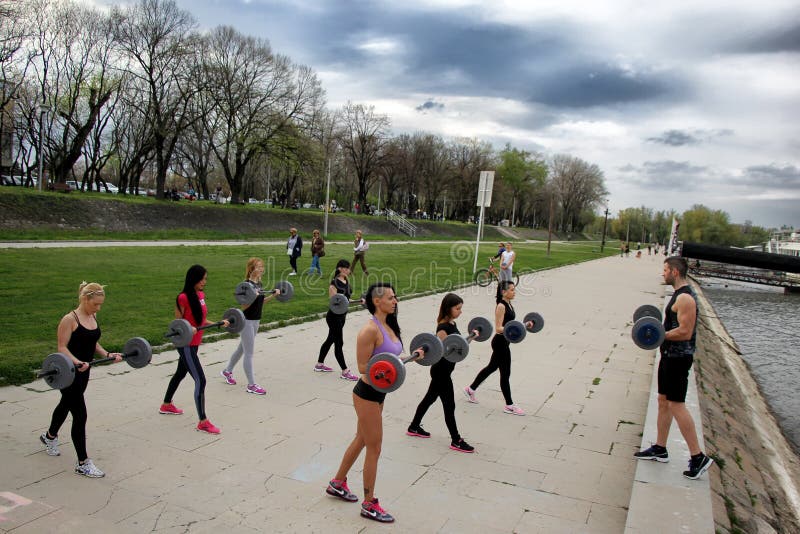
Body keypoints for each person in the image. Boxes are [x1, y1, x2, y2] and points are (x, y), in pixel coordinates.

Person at [634, 257, 714, 480]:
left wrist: (658, 334)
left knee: (676, 405)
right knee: (663, 401)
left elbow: (685, 332)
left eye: (666, 270)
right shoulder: (679, 295)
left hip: (679, 359)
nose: (663, 273)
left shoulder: (686, 298)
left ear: (675, 272)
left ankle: (698, 456)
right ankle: (660, 448)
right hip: (668, 356)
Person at [326, 283, 400, 523]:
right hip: (367, 393)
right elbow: (362, 367)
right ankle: (369, 504)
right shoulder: (369, 329)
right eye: (390, 297)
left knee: (361, 439)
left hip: (380, 393)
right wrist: (386, 370)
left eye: (395, 297)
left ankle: (337, 483)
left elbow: (393, 358)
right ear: (377, 301)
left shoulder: (389, 325)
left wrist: (417, 353)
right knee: (374, 447)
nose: (395, 301)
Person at [39, 282, 122, 478]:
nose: (98, 308)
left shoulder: (92, 315)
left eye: (100, 305)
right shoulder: (69, 320)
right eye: (95, 304)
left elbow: (92, 341)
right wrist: (77, 362)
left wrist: (107, 353)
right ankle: (83, 463)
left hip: (84, 372)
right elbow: (61, 347)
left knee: (66, 404)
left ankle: (49, 436)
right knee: (80, 415)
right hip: (68, 374)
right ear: (85, 299)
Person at [159, 265, 227, 434]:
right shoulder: (182, 298)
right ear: (193, 279)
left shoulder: (200, 295)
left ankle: (166, 404)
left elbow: (201, 319)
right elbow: (178, 326)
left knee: (180, 373)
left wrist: (219, 323)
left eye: (205, 279)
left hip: (195, 343)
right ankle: (203, 421)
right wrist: (189, 328)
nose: (204, 282)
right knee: (201, 380)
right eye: (202, 279)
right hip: (186, 345)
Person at [407, 293, 475, 453]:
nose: (460, 311)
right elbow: (446, 351)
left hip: (445, 371)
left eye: (461, 308)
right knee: (449, 405)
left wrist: (471, 337)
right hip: (441, 372)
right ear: (448, 308)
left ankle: (414, 426)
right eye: (457, 308)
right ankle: (456, 440)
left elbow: (459, 345)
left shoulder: (452, 323)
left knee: (429, 399)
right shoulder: (443, 328)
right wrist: (463, 343)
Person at [464, 280, 525, 415]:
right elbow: (498, 328)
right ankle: (509, 405)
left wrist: (521, 327)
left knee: (491, 367)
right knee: (505, 373)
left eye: (514, 289)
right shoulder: (501, 306)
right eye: (512, 290)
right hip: (500, 342)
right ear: (504, 292)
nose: (514, 292)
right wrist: (514, 329)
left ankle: (470, 389)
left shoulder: (509, 303)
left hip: (505, 341)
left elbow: (510, 324)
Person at [220, 258, 280, 395]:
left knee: (242, 348)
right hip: (246, 321)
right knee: (249, 353)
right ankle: (251, 385)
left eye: (262, 267)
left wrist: (273, 296)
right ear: (251, 269)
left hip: (256, 320)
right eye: (258, 267)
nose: (261, 269)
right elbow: (244, 306)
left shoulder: (259, 283)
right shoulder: (245, 285)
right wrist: (253, 296)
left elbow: (261, 301)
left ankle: (227, 371)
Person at [315, 259, 359, 380]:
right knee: (339, 343)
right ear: (339, 268)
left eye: (349, 268)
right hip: (334, 317)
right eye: (345, 268)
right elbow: (334, 302)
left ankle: (319, 364)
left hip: (342, 317)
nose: (348, 270)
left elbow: (346, 299)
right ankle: (345, 371)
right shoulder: (334, 283)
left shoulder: (345, 281)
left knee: (330, 340)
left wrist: (359, 301)